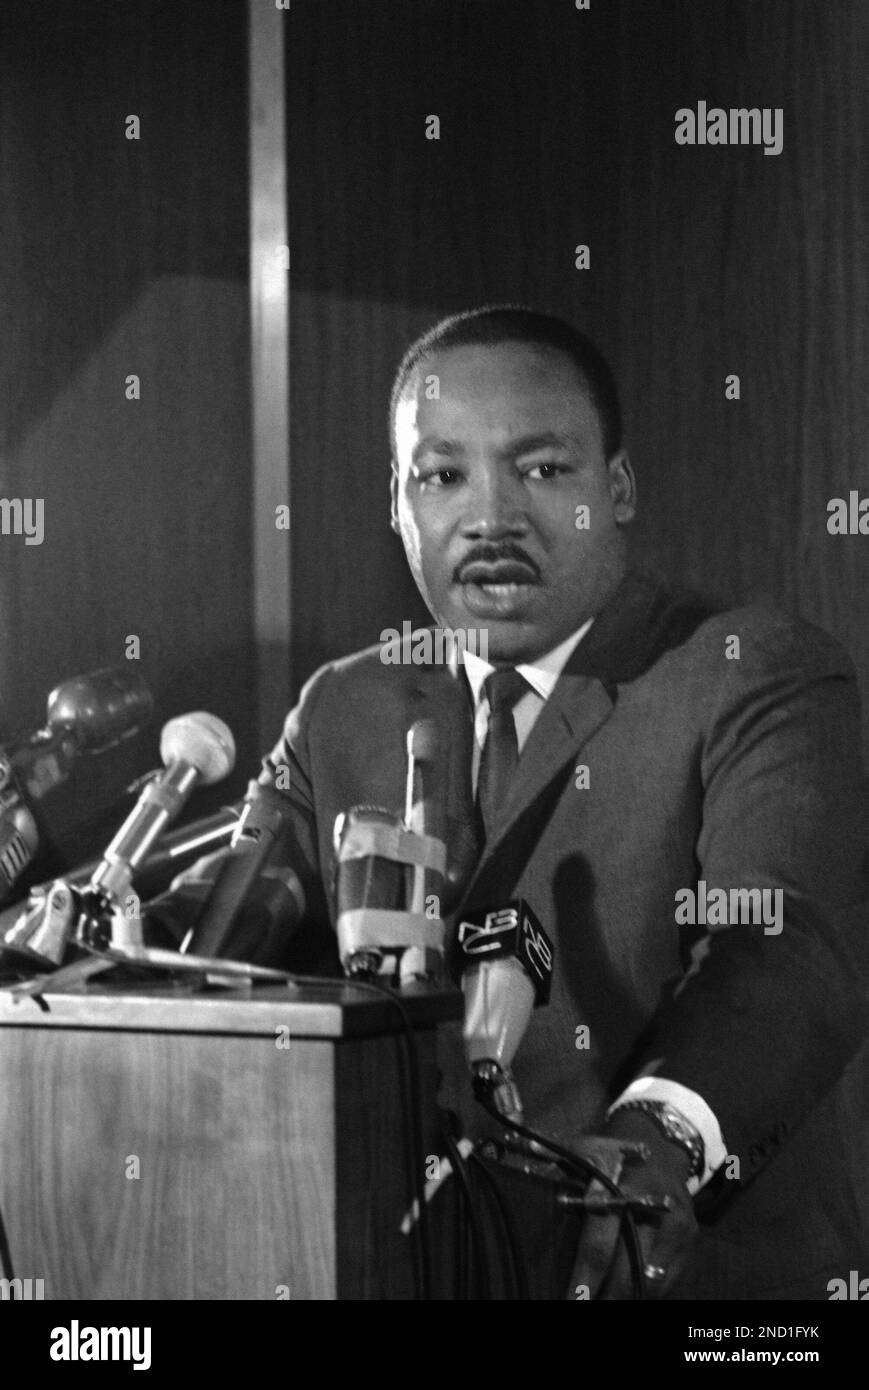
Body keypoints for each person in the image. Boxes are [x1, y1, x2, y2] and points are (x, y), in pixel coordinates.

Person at [149, 305, 869, 1300]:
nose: (488, 515)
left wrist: (659, 1136)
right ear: (399, 505)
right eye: (441, 476)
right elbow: (229, 913)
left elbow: (784, 958)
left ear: (614, 490)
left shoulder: (751, 675)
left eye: (540, 469)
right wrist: (111, 945)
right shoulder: (343, 707)